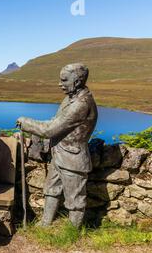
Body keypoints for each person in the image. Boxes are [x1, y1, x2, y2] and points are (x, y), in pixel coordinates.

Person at [17, 63, 98, 228]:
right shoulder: (70, 98)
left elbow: (51, 130)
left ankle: (72, 231)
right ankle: (46, 223)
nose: (60, 84)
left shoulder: (81, 104)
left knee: (75, 199)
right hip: (59, 154)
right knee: (51, 189)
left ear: (77, 81)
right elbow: (55, 121)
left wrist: (26, 123)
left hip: (73, 158)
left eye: (64, 80)